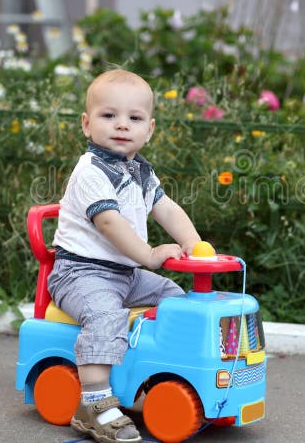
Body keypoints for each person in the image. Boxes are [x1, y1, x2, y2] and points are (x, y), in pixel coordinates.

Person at [49, 69, 201, 443]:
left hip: (125, 274)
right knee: (105, 313)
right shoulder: (90, 172)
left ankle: (159, 373)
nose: (121, 125)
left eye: (133, 118)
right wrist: (150, 254)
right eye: (108, 115)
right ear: (86, 124)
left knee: (175, 299)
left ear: (149, 130)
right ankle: (94, 403)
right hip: (80, 273)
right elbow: (110, 224)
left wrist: (196, 248)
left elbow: (167, 210)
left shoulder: (140, 172)